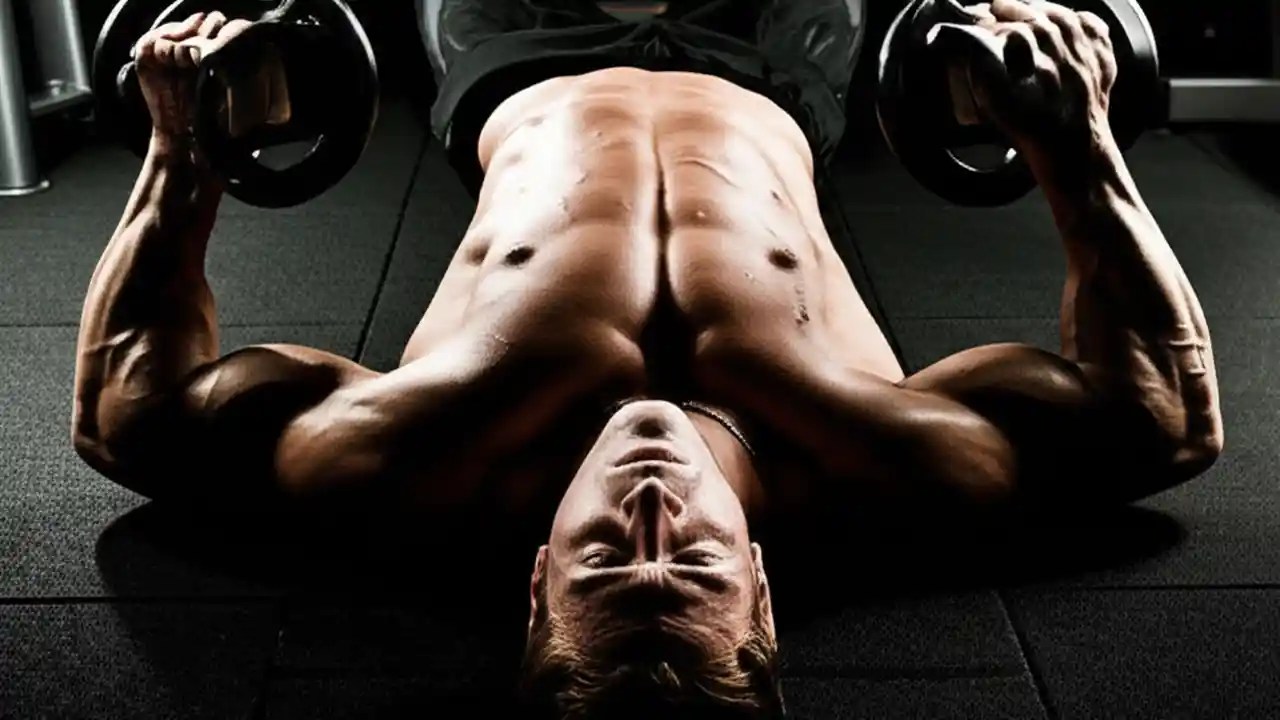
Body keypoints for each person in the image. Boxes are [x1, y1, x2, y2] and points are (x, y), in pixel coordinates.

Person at [72, 0, 1223, 717]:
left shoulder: (407, 458)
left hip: (520, 54)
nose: (654, 516)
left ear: (536, 588)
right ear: (760, 597)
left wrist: (182, 147)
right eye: (699, 573)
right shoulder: (886, 463)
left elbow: (127, 411)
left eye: (609, 568)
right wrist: (1076, 145)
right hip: (772, 61)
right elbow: (1165, 416)